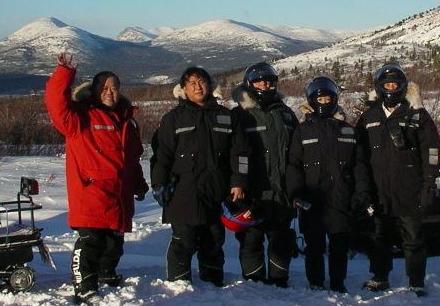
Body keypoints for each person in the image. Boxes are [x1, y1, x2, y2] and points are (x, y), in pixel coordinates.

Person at [44, 52, 148, 304]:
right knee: (92, 240)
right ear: (94, 90)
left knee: (114, 241)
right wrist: (63, 74)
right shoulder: (81, 117)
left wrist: (138, 182)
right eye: (104, 87)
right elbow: (55, 104)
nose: (110, 92)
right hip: (91, 192)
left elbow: (132, 157)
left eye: (114, 87)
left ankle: (105, 273)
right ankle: (85, 285)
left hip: (119, 193)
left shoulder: (127, 121)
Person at [150, 66, 248, 287]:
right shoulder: (173, 118)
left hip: (217, 188)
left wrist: (238, 181)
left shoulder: (225, 116)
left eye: (202, 81)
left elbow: (240, 153)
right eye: (192, 83)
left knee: (214, 239)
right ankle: (179, 283)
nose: (198, 86)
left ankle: (213, 280)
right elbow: (162, 155)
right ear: (183, 89)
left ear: (210, 85)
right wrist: (158, 183)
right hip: (183, 189)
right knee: (184, 239)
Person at [354, 62, 440, 297]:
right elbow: (358, 155)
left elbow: (431, 149)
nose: (391, 89)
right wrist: (362, 187)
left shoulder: (416, 114)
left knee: (412, 236)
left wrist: (429, 181)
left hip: (408, 186)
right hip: (378, 187)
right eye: (387, 84)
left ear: (402, 87)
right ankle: (380, 276)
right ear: (379, 87)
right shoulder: (369, 116)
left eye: (395, 84)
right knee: (379, 235)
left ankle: (416, 280)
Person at [286, 76, 357, 293]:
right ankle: (315, 282)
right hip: (312, 197)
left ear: (334, 99)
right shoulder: (303, 130)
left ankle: (338, 282)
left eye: (328, 98)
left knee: (339, 245)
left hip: (340, 196)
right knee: (314, 245)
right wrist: (295, 193)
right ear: (311, 101)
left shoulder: (347, 130)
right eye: (320, 98)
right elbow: (294, 165)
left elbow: (358, 165)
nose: (324, 102)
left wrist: (359, 192)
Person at [230, 62, 299, 287]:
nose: (264, 84)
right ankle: (254, 282)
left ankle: (279, 281)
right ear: (249, 84)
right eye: (259, 80)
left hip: (281, 187)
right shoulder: (240, 114)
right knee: (251, 238)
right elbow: (232, 152)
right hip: (252, 188)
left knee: (280, 237)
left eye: (268, 80)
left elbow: (297, 152)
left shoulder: (285, 114)